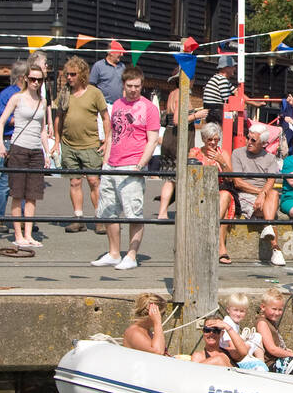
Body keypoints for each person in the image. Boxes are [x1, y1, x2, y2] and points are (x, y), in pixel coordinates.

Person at [91, 67, 158, 271]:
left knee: (133, 212)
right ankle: (113, 252)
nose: (133, 90)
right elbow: (112, 134)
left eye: (137, 86)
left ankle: (131, 254)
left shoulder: (149, 108)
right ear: (123, 85)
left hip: (132, 164)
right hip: (112, 162)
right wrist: (105, 161)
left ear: (142, 85)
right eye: (129, 86)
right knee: (109, 211)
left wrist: (140, 164)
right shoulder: (118, 104)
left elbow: (153, 139)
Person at [0, 63, 52, 250]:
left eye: (39, 80)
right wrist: (0, 143)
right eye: (33, 79)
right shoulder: (17, 98)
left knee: (32, 195)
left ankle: (28, 234)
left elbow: (42, 129)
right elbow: (1, 121)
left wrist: (46, 152)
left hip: (36, 150)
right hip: (19, 148)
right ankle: (18, 234)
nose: (36, 83)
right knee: (17, 193)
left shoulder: (43, 102)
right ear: (26, 79)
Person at [55, 55, 110, 234]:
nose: (69, 78)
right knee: (75, 182)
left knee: (94, 181)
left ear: (82, 74)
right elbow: (59, 117)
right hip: (69, 144)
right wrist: (57, 141)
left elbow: (105, 117)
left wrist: (107, 141)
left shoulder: (94, 92)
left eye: (72, 74)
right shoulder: (64, 93)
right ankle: (78, 218)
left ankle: (99, 218)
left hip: (90, 144)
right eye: (67, 74)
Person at [231, 123, 284, 266]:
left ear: (263, 143)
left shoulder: (270, 158)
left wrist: (263, 194)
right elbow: (238, 182)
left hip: (265, 195)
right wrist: (260, 193)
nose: (249, 142)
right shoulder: (237, 153)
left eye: (253, 140)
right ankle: (276, 248)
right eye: (248, 138)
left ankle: (268, 226)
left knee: (273, 193)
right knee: (270, 208)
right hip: (246, 193)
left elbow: (271, 180)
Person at [154, 79, 208, 219]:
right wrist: (197, 115)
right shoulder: (181, 94)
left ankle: (163, 212)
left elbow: (169, 118)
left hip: (169, 137)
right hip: (178, 140)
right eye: (191, 79)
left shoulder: (172, 93)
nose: (193, 82)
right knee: (177, 178)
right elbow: (178, 120)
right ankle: (169, 212)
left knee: (170, 179)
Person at [188, 122, 235, 264]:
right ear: (203, 139)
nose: (214, 143)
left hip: (219, 191)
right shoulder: (195, 152)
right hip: (200, 192)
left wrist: (222, 163)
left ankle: (211, 232)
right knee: (224, 211)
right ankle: (221, 249)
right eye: (210, 140)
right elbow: (192, 175)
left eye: (216, 139)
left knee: (226, 195)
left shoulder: (223, 154)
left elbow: (231, 178)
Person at [0, 61, 25, 233]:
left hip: (26, 141)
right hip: (10, 140)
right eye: (29, 77)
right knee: (5, 182)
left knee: (25, 180)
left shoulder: (31, 94)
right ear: (21, 77)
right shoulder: (7, 94)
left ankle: (24, 220)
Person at [89, 41, 126, 105]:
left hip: (119, 105)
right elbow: (91, 86)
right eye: (120, 52)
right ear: (111, 52)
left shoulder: (122, 66)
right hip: (104, 105)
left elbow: (125, 86)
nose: (122, 54)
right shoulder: (98, 66)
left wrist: (125, 102)